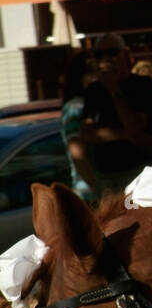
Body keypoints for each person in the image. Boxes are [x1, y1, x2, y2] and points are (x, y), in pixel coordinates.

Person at [79, 33, 152, 196]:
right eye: (100, 54)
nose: (106, 59)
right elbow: (87, 133)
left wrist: (113, 89)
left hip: (139, 171)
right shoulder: (93, 90)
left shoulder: (145, 85)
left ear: (126, 54)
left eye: (113, 52)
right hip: (105, 175)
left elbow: (135, 126)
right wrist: (125, 134)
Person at [59, 51, 98, 202]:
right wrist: (100, 191)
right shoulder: (76, 108)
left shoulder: (87, 105)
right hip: (91, 195)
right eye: (94, 72)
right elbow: (78, 155)